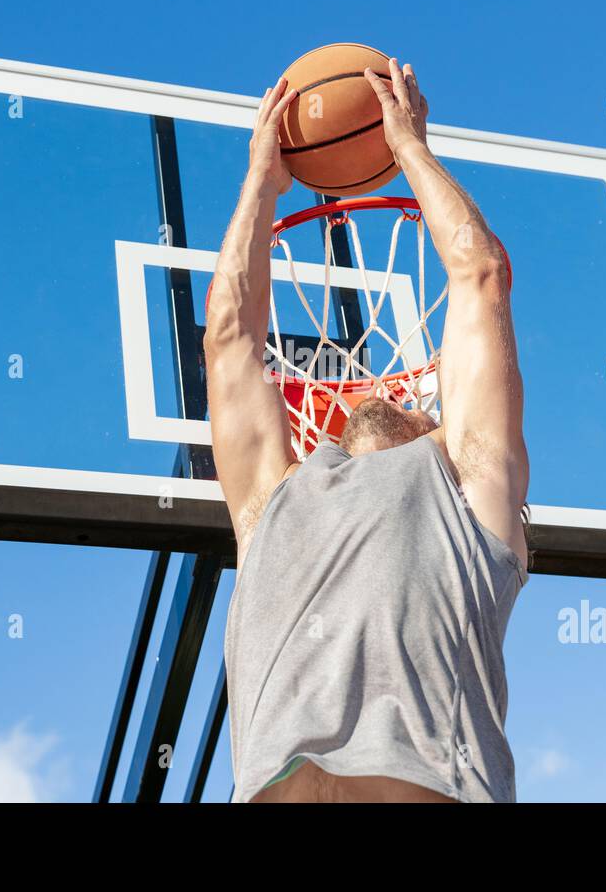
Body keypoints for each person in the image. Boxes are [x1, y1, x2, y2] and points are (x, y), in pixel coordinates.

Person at [206, 58, 529, 803]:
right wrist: (263, 178)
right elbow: (229, 335)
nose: (388, 385)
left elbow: (478, 273)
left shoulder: (472, 491)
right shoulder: (270, 505)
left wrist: (409, 147)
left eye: (420, 395)